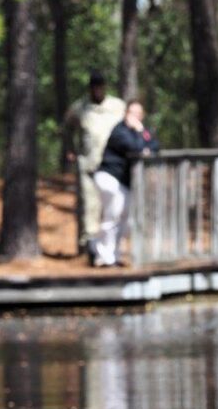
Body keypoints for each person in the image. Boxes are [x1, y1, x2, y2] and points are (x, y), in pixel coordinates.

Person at [63, 72, 126, 262]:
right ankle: (89, 247)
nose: (97, 90)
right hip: (89, 164)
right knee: (89, 206)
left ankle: (111, 247)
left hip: (114, 166)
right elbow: (66, 128)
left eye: (100, 86)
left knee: (114, 207)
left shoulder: (117, 107)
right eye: (94, 86)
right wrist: (70, 149)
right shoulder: (79, 108)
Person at [93, 100, 159, 267]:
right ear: (125, 114)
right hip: (109, 177)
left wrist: (142, 133)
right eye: (131, 113)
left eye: (138, 114)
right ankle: (103, 255)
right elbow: (136, 147)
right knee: (113, 215)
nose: (134, 117)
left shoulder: (140, 131)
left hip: (123, 182)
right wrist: (141, 137)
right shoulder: (120, 131)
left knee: (125, 220)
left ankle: (113, 255)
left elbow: (154, 144)